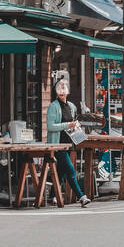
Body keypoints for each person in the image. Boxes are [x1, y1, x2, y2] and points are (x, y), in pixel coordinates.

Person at [44, 78, 91, 207]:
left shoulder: (71, 106)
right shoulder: (53, 106)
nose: (62, 91)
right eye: (60, 88)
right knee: (70, 170)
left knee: (61, 172)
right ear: (56, 91)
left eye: (64, 88)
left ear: (68, 91)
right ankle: (81, 196)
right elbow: (50, 126)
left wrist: (77, 127)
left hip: (70, 143)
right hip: (58, 144)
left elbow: (73, 122)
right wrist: (68, 125)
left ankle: (53, 196)